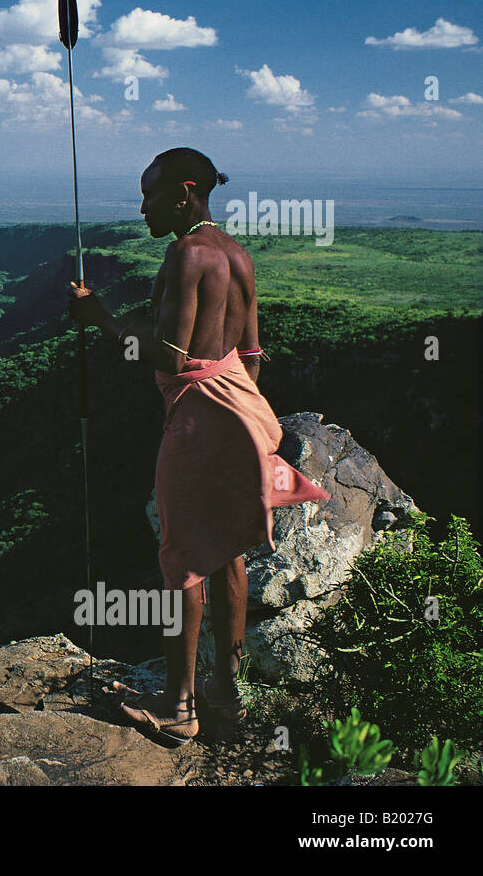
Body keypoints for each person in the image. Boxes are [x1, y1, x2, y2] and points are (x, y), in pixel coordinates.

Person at [66, 147, 329, 745]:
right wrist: (238, 413)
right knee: (226, 549)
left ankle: (178, 706)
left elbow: (172, 354)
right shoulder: (237, 254)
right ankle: (226, 698)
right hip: (238, 403)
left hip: (200, 418)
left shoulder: (187, 253)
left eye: (150, 195)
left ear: (185, 191)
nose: (141, 209)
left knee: (183, 556)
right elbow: (254, 351)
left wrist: (101, 319)